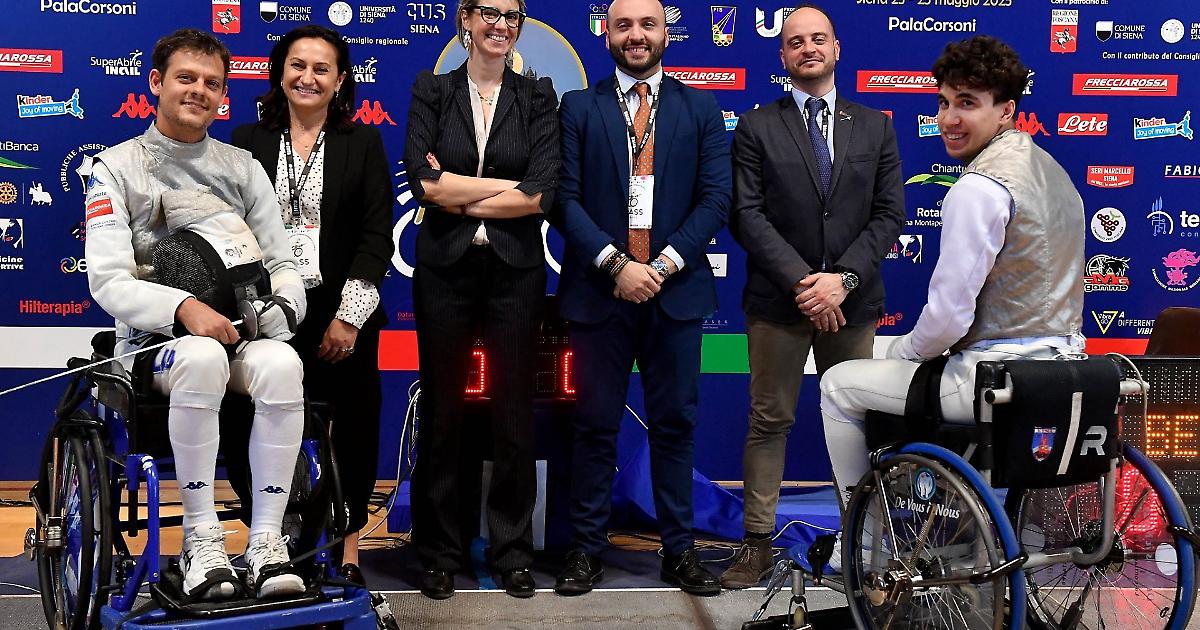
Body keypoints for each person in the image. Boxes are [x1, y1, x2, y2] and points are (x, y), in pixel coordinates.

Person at [85, 28, 309, 600]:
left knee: (282, 364)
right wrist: (183, 306)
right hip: (152, 346)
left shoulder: (241, 167)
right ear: (157, 83)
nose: (199, 91)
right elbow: (108, 280)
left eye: (212, 83)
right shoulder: (114, 168)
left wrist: (276, 311)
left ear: (223, 96)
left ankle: (265, 543)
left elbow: (284, 263)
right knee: (203, 354)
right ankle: (201, 537)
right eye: (186, 78)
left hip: (237, 334)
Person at [819, 35, 1085, 515]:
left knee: (838, 382)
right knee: (885, 354)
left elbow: (948, 319)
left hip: (994, 378)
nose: (948, 118)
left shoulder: (979, 187)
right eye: (943, 102)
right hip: (1064, 371)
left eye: (967, 104)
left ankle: (859, 534)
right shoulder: (1056, 175)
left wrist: (907, 352)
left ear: (1005, 110)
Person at [552, 0, 731, 597]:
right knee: (595, 426)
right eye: (623, 24)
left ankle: (679, 552)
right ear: (607, 33)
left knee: (675, 425)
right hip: (599, 292)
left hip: (674, 292)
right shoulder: (578, 107)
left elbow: (715, 199)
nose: (636, 35)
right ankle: (585, 549)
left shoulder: (699, 107)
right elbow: (564, 200)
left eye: (647, 24)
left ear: (665, 32)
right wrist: (615, 265)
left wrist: (660, 265)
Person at [722, 4, 904, 589]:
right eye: (795, 41)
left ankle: (866, 547)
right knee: (769, 418)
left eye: (817, 38)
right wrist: (807, 282)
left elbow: (889, 214)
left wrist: (841, 280)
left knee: (855, 423)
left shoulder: (876, 125)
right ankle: (755, 544)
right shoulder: (756, 127)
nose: (807, 48)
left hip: (853, 300)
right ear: (782, 56)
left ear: (836, 47)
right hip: (780, 302)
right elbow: (746, 215)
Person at [404, 0, 560, 600]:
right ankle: (440, 551)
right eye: (488, 12)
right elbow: (423, 180)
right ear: (464, 20)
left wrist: (458, 192)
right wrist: (504, 189)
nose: (500, 24)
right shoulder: (432, 90)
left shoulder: (537, 95)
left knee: (513, 415)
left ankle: (511, 549)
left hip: (515, 271)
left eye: (511, 15)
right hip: (444, 269)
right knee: (444, 413)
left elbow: (542, 191)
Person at [232, 24, 394, 588]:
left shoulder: (363, 143)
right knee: (245, 418)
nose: (308, 77)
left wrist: (349, 317)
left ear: (340, 81)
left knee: (352, 426)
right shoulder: (246, 142)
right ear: (280, 73)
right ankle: (265, 540)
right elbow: (229, 232)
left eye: (322, 69)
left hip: (339, 308)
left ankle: (348, 549)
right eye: (298, 66)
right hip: (264, 310)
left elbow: (378, 237)